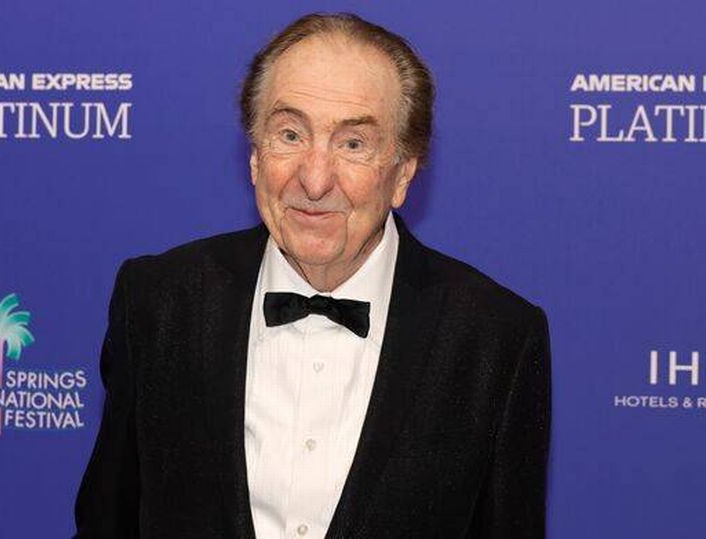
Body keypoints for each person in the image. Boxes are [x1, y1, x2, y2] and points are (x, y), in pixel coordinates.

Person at [74, 12, 551, 539]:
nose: (315, 179)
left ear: (403, 173)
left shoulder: (495, 339)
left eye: (353, 144)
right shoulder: (158, 304)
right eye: (290, 134)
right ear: (255, 157)